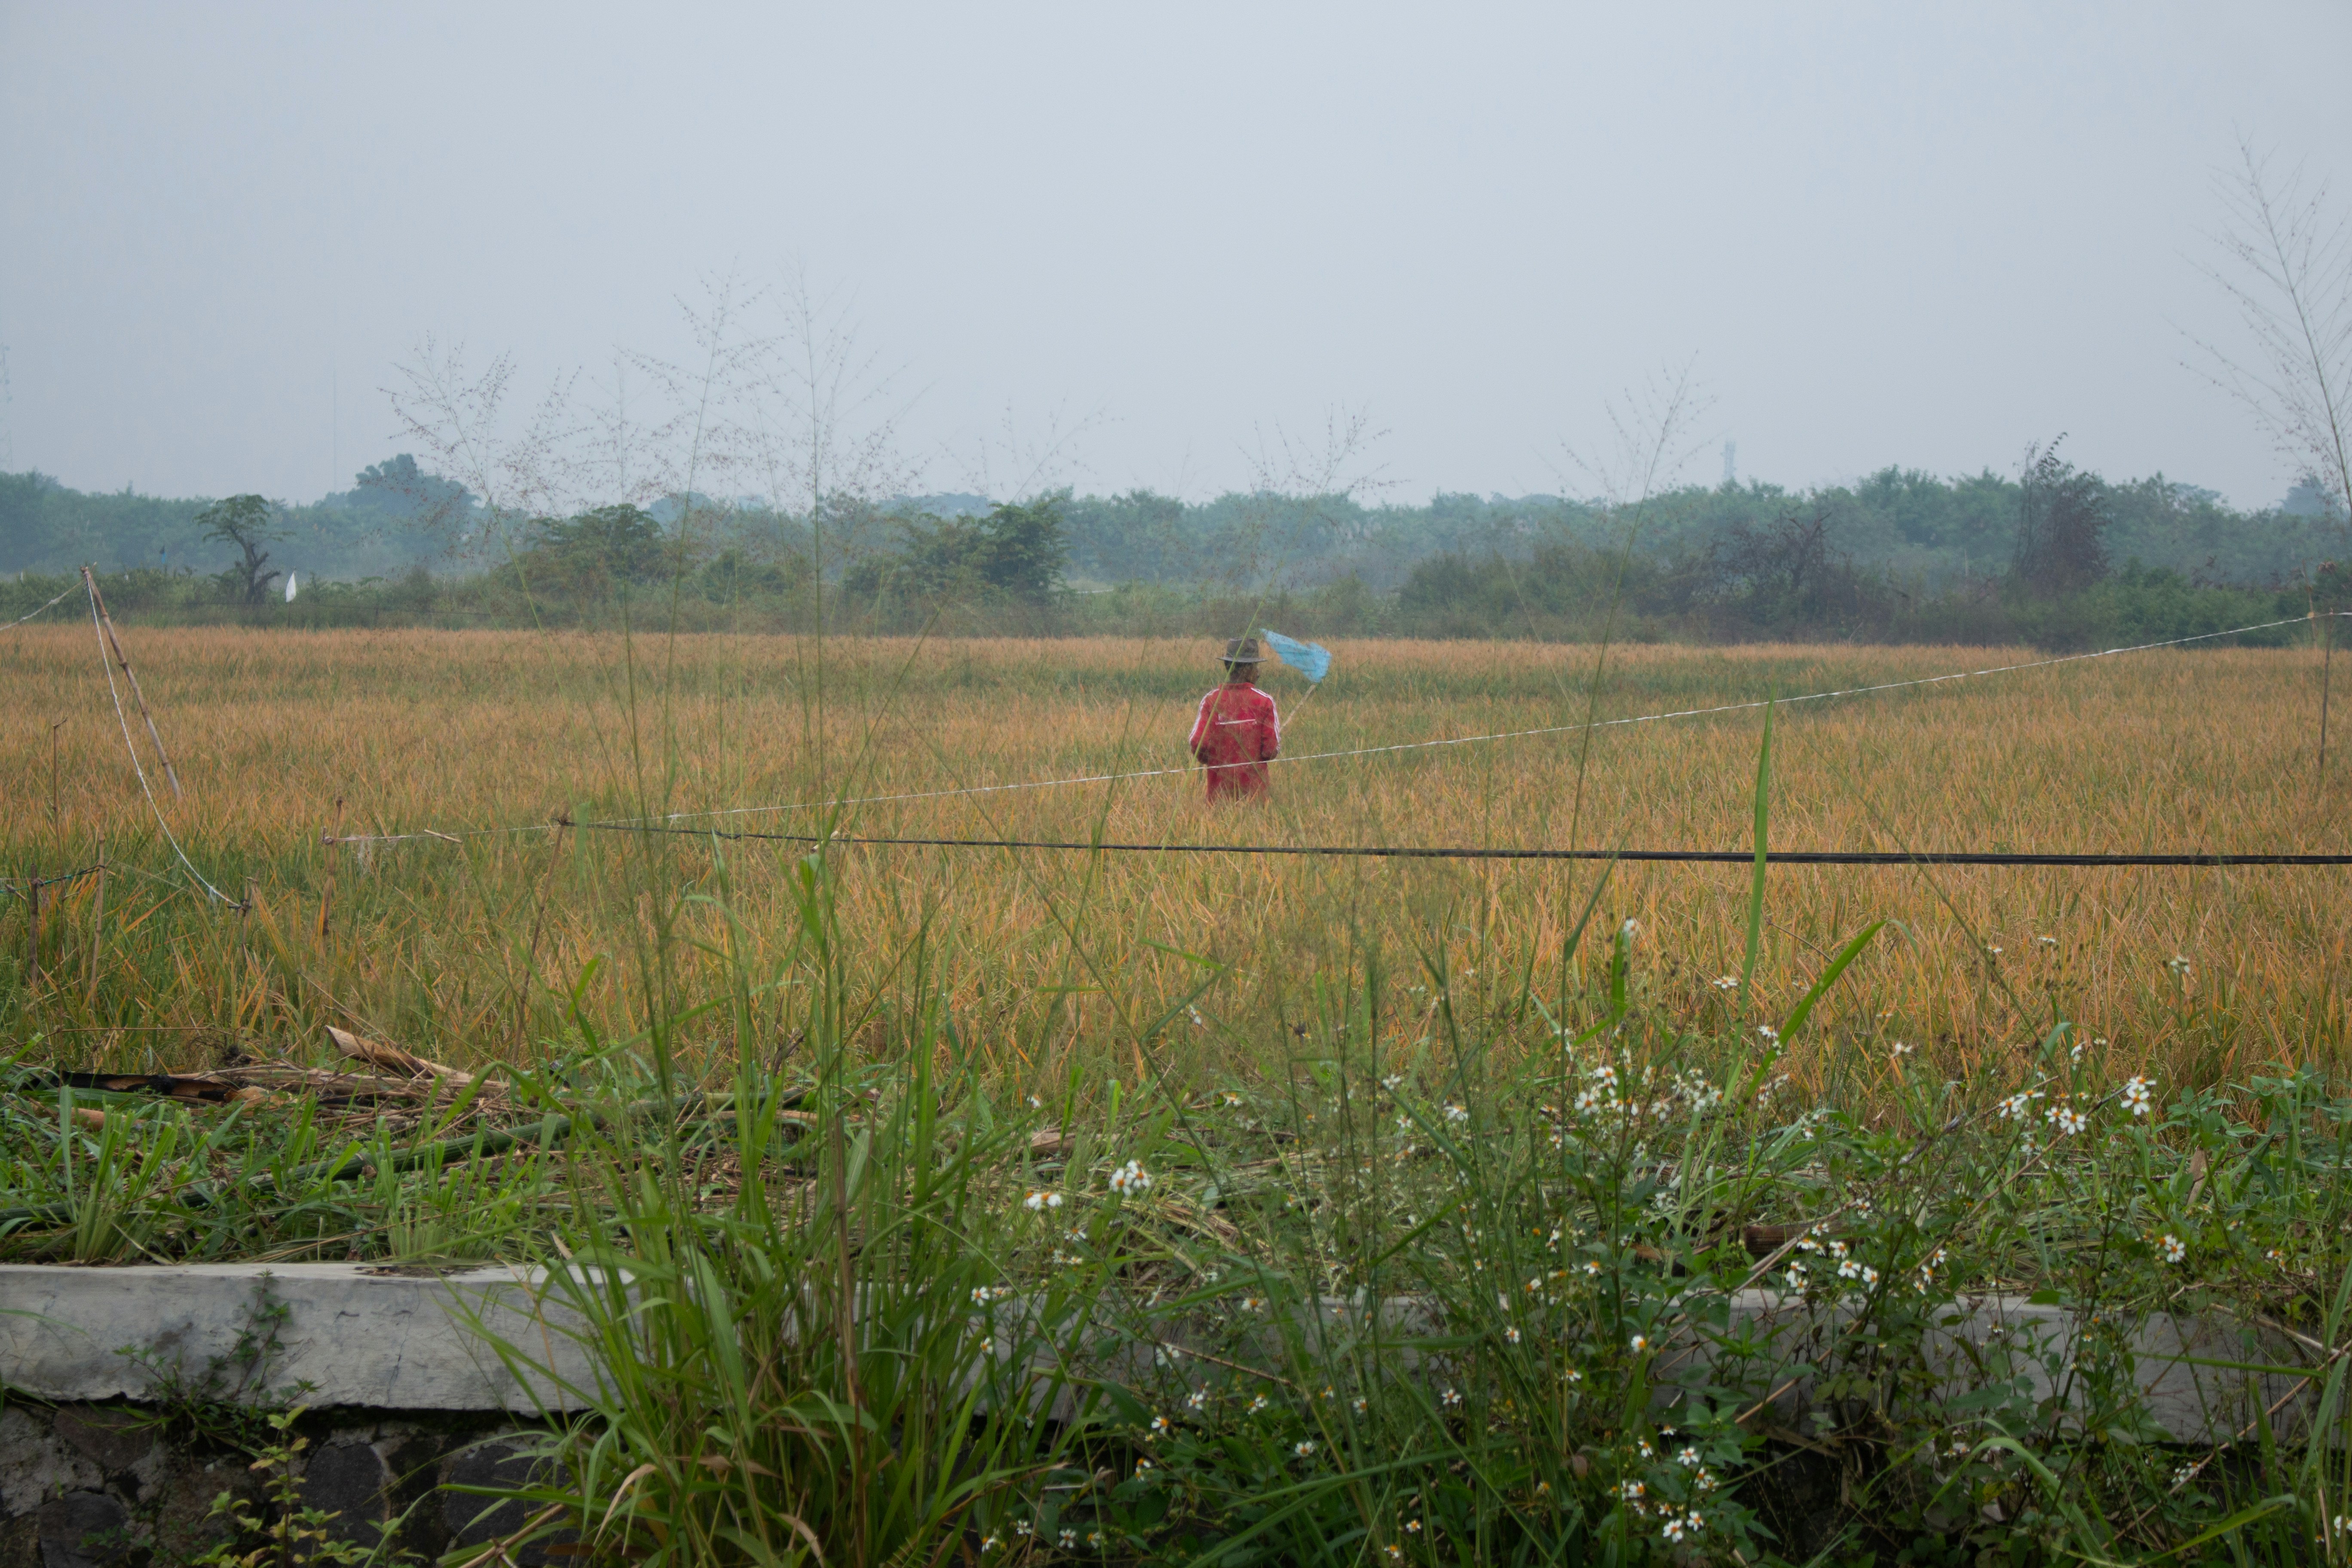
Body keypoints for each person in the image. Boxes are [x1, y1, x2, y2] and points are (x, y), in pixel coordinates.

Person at [1188, 637, 1280, 800]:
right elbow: (1271, 750)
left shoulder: (1211, 701)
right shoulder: (1265, 702)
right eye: (1255, 666)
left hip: (1218, 799)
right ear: (1248, 669)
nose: (1258, 673)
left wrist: (1211, 761)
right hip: (1256, 799)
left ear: (1227, 666)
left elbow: (1198, 743)